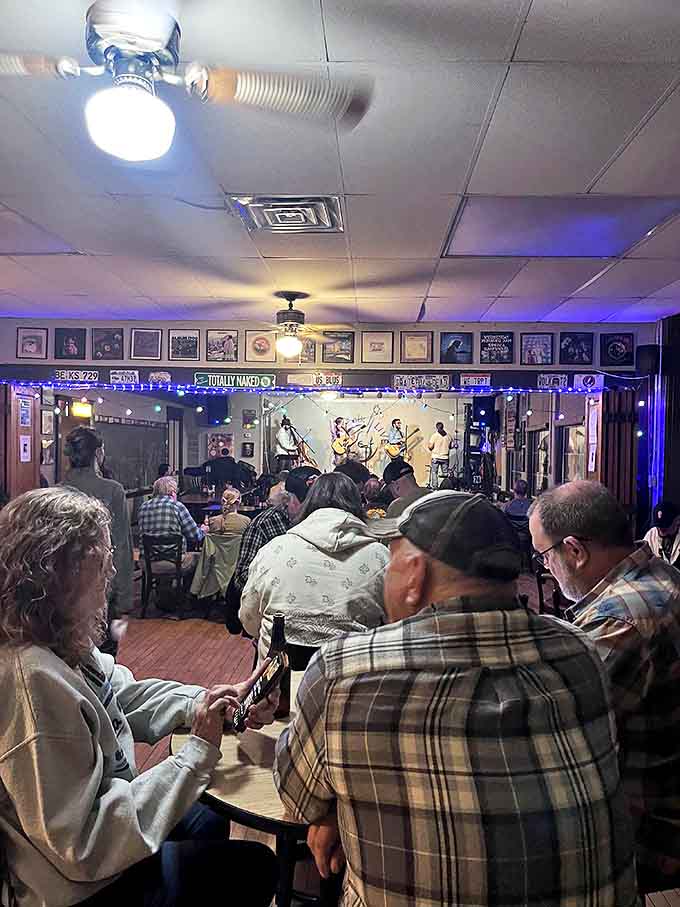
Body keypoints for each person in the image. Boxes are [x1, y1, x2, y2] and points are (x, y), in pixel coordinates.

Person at [275, 491, 637, 907]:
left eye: (390, 558)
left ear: (413, 576)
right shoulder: (580, 652)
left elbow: (297, 796)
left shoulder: (345, 671)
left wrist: (340, 813)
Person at [0, 487, 278, 907]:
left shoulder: (55, 635)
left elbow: (126, 696)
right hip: (80, 888)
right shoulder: (32, 683)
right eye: (101, 565)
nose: (110, 576)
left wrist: (206, 701)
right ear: (59, 577)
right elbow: (84, 846)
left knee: (207, 816)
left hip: (103, 833)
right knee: (255, 864)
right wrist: (195, 752)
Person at [528, 480, 680, 895]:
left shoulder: (621, 619)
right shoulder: (662, 574)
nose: (545, 568)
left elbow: (556, 723)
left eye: (544, 555)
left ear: (575, 550)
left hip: (649, 831)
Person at [241, 473, 389, 663]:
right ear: (357, 505)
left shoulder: (274, 549)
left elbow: (249, 620)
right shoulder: (380, 557)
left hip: (279, 683)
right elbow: (395, 625)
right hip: (352, 683)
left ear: (309, 502)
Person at [61, 426, 134, 635]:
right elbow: (121, 545)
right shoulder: (113, 490)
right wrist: (124, 599)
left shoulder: (56, 491)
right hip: (103, 589)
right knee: (106, 653)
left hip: (65, 591)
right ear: (98, 453)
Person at [138, 476, 204, 574]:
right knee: (201, 557)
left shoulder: (143, 507)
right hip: (174, 562)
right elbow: (195, 536)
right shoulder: (177, 506)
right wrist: (203, 530)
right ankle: (187, 589)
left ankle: (159, 586)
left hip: (147, 563)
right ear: (173, 492)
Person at [644, 499, 680, 568]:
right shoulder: (651, 534)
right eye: (658, 526)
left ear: (677, 520)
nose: (661, 529)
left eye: (666, 525)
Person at [427, 421, 453, 489]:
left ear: (437, 427)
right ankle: (445, 487)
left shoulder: (434, 436)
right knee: (445, 474)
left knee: (434, 472)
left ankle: (435, 487)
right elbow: (451, 446)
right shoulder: (448, 436)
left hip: (436, 457)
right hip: (445, 457)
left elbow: (430, 447)